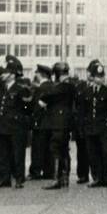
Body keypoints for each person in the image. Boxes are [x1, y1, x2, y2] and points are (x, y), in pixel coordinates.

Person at [0, 55, 34, 189]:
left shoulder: (21, 89)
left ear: (12, 74)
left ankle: (19, 178)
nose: (2, 75)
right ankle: (4, 178)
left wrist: (22, 122)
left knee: (17, 153)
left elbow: (27, 109)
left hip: (16, 126)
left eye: (5, 72)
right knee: (3, 153)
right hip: (2, 125)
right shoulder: (1, 88)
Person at [40, 61, 75, 190]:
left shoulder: (61, 87)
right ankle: (64, 177)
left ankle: (56, 178)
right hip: (66, 122)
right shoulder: (70, 86)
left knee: (55, 148)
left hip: (58, 122)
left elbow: (46, 96)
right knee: (64, 149)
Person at [80, 60, 107, 188]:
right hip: (90, 127)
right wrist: (82, 127)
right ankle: (96, 177)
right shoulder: (86, 92)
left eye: (102, 77)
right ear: (93, 77)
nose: (100, 79)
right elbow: (82, 111)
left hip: (103, 127)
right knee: (92, 153)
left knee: (106, 153)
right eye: (97, 77)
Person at [28, 63, 52, 179]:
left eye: (37, 72)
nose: (35, 74)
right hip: (50, 123)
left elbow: (36, 107)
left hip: (40, 123)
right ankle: (48, 172)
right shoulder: (52, 86)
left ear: (41, 75)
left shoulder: (41, 88)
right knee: (48, 149)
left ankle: (35, 172)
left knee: (37, 148)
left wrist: (33, 119)